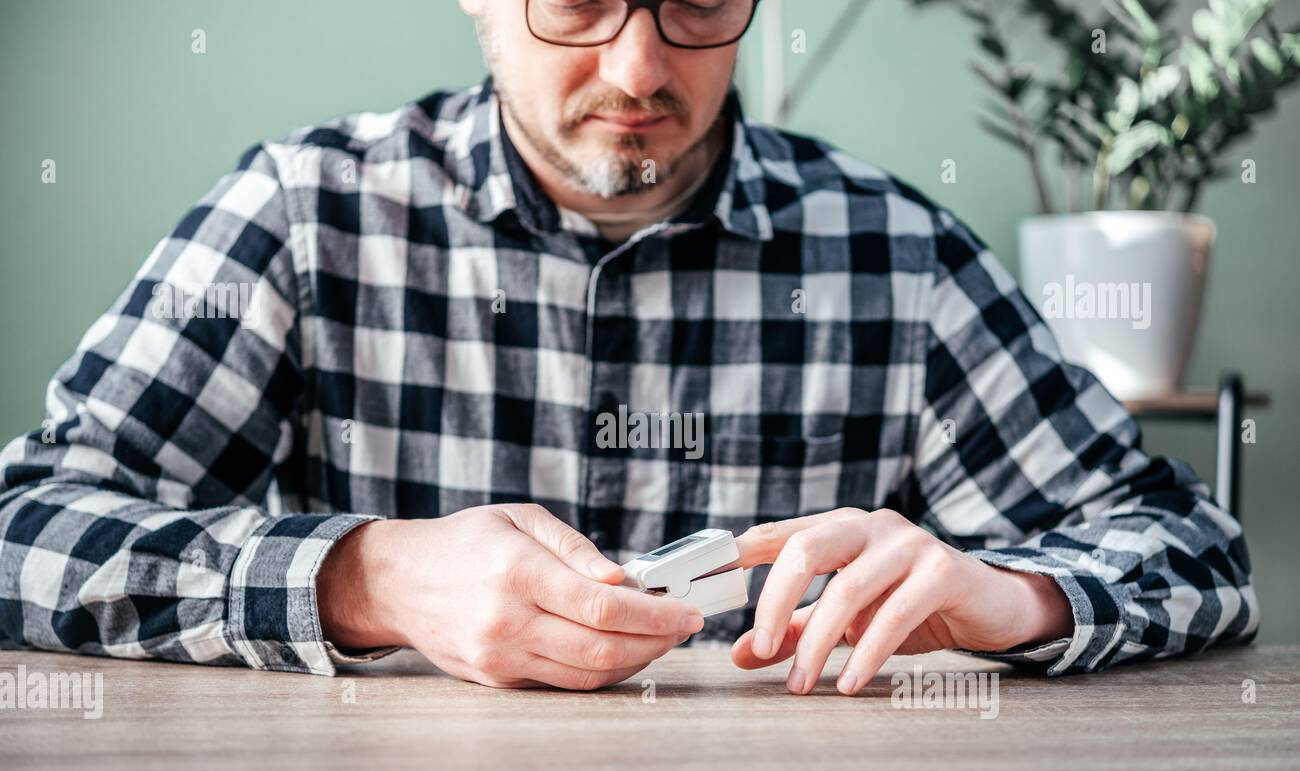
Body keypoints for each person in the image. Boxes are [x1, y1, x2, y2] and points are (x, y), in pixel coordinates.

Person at [0, 0, 1258, 695]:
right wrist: (360, 580)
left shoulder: (898, 252)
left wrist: (1014, 597)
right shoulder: (303, 214)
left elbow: (1193, 549)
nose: (638, 63)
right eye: (578, 0)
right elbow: (25, 529)